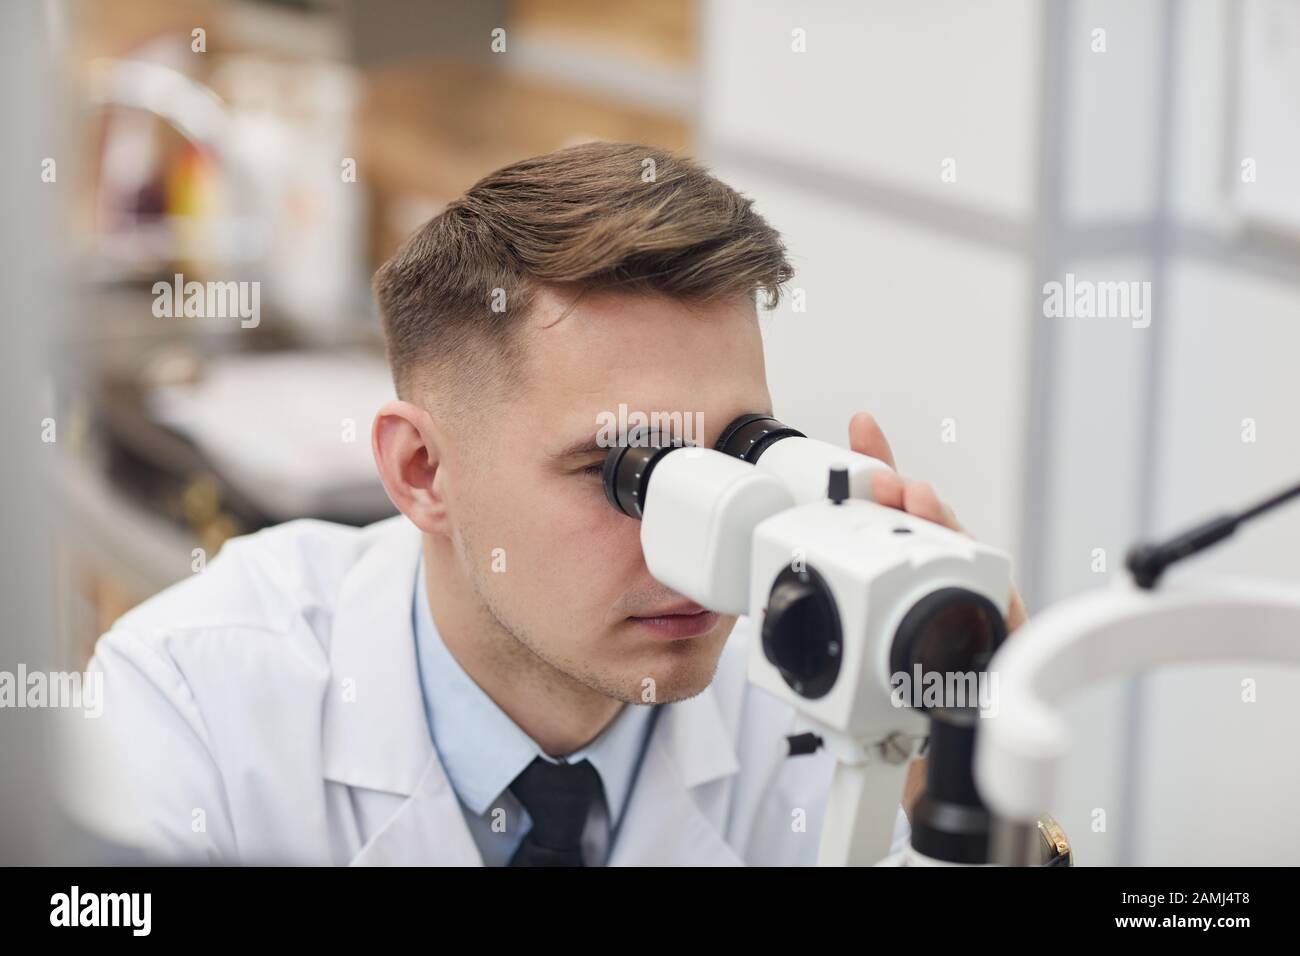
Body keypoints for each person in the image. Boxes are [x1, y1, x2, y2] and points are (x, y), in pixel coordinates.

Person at [83, 142, 1027, 865]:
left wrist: (972, 788)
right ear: (421, 471)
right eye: (628, 474)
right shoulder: (191, 703)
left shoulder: (811, 690)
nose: (692, 549)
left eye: (740, 456)